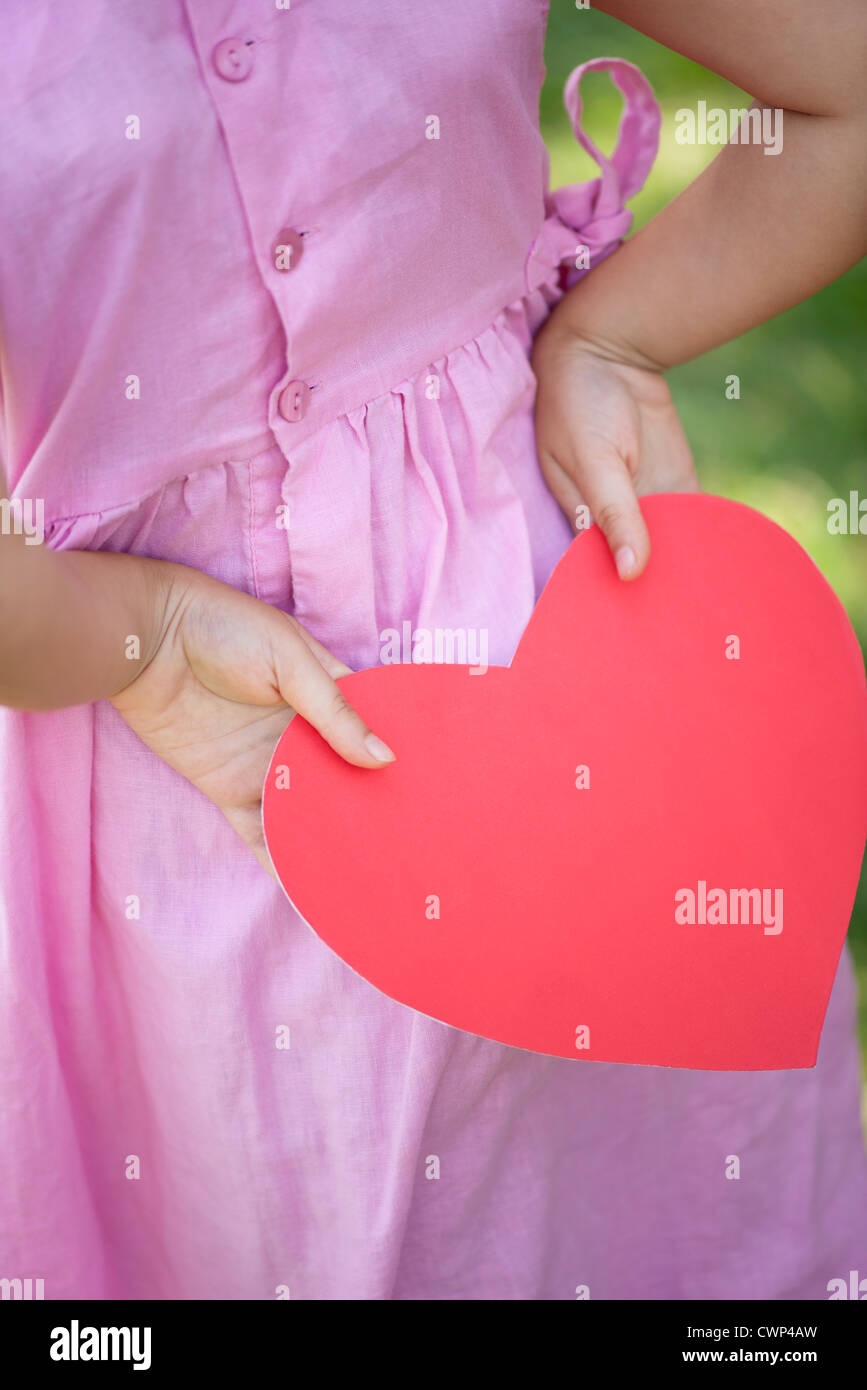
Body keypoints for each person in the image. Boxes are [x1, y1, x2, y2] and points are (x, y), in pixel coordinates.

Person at [1, 0, 864, 1300]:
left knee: (624, 1208)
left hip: (575, 695)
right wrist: (144, 632)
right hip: (141, 776)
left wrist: (620, 329)